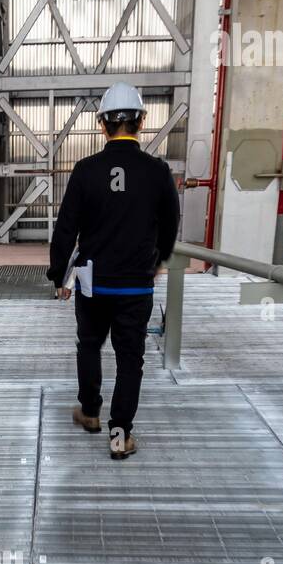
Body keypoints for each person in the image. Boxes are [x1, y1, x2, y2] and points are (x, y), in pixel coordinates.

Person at [48, 82, 181, 459]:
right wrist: (157, 262)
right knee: (130, 361)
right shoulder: (157, 172)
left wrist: (59, 275)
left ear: (102, 124)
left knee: (88, 346)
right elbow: (171, 225)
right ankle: (120, 435)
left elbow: (66, 227)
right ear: (141, 121)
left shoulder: (86, 171)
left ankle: (90, 412)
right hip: (135, 287)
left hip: (93, 284)